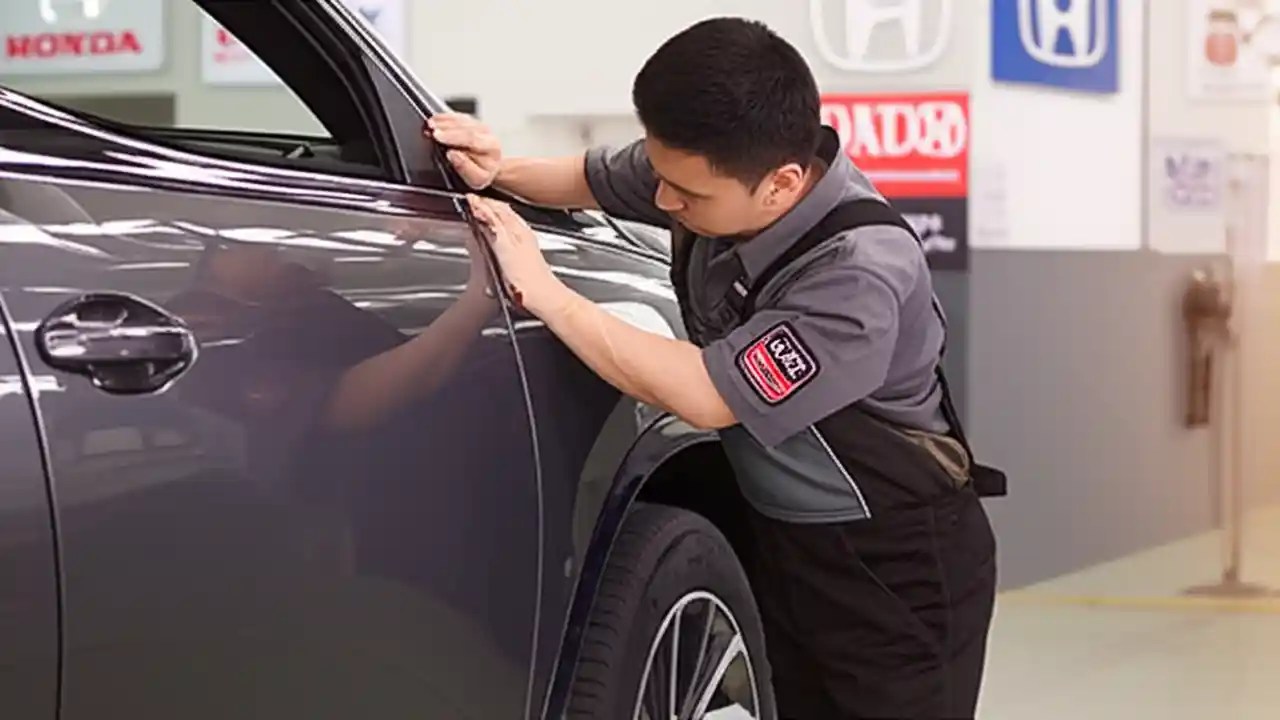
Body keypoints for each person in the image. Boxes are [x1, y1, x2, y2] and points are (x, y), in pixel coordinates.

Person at [429, 16, 1000, 719]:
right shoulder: (712, 168)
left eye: (685, 195)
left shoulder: (856, 275)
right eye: (663, 178)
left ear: (782, 184)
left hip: (891, 568)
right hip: (787, 542)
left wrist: (544, 292)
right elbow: (591, 179)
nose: (664, 201)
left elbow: (707, 393)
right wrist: (499, 172)